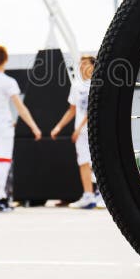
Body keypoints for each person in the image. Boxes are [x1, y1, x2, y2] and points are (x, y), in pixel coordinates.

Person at [0, 45, 42, 213]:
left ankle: (0, 196)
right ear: (6, 60)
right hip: (4, 126)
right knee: (2, 163)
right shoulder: (9, 82)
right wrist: (34, 127)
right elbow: (20, 108)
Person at [50, 55, 100, 209]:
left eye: (85, 63)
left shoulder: (97, 84)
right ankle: (88, 195)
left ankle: (103, 195)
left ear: (93, 66)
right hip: (80, 133)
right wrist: (58, 127)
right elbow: (72, 110)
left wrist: (79, 128)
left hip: (93, 130)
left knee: (98, 163)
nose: (81, 66)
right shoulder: (76, 86)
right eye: (80, 63)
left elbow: (92, 109)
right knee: (83, 162)